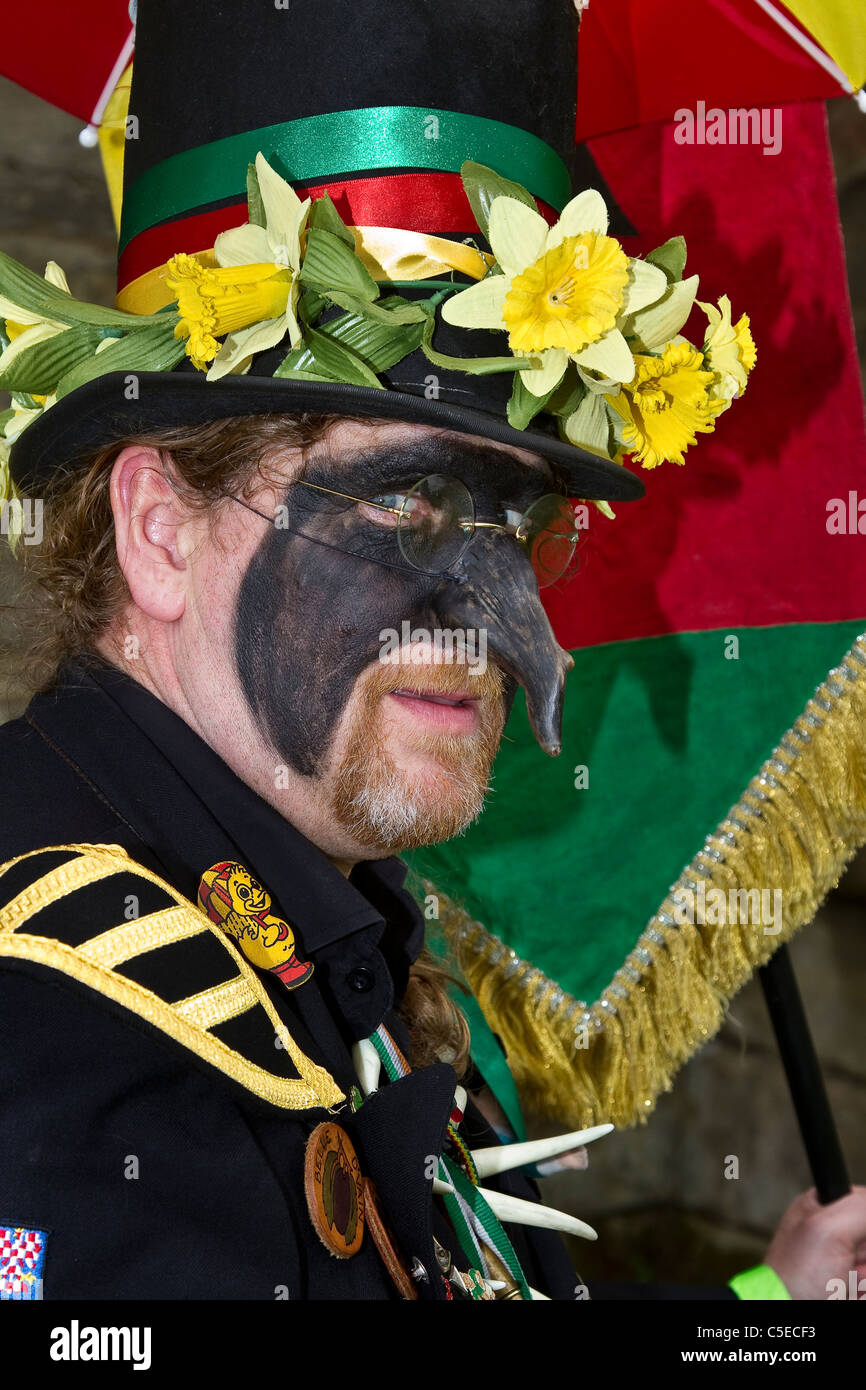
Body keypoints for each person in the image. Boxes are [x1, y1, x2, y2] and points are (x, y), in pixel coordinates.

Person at [1, 0, 864, 1302]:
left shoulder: (304, 911)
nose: (507, 621)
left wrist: (768, 1314)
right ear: (160, 526)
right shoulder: (65, 1030)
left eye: (530, 529)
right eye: (405, 504)